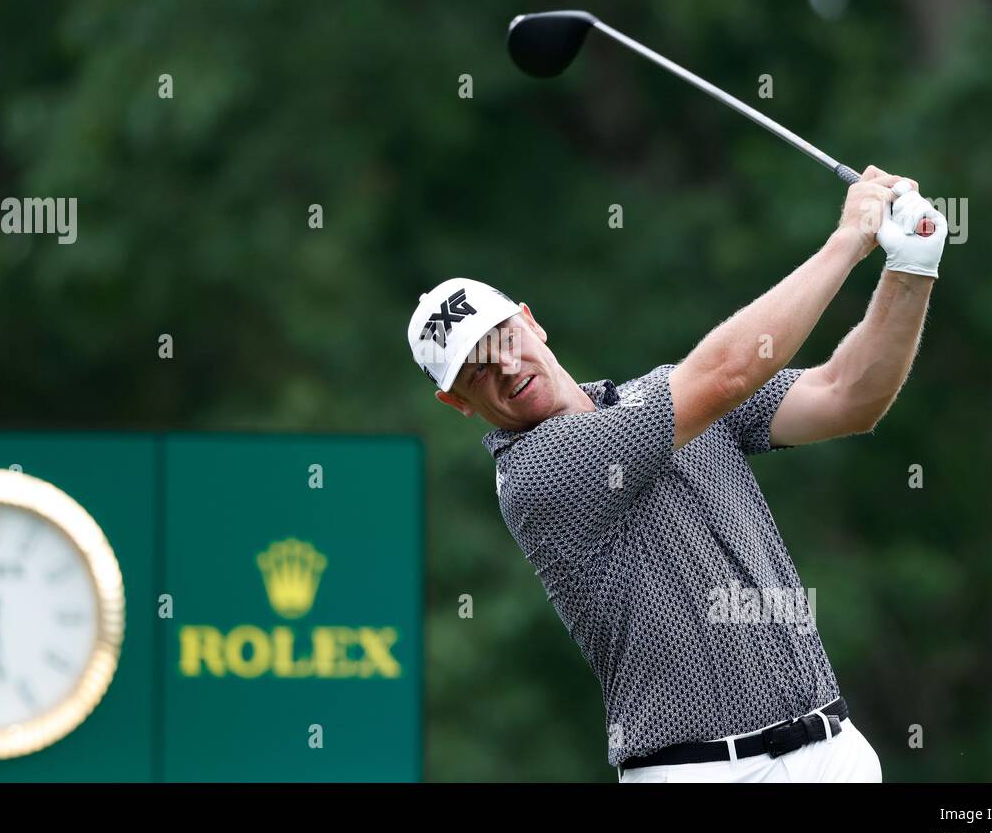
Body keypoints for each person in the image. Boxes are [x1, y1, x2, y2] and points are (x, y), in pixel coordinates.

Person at [407, 166, 950, 782]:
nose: (504, 367)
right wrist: (849, 239)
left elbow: (847, 396)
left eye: (503, 337)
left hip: (831, 750)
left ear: (531, 321)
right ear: (456, 403)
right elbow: (725, 377)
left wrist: (911, 271)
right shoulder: (536, 470)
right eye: (475, 371)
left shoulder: (664, 399)